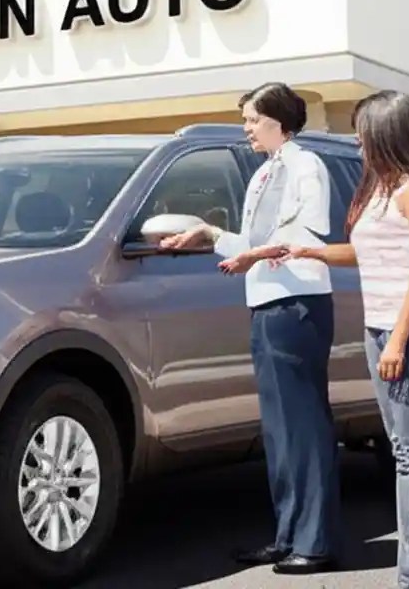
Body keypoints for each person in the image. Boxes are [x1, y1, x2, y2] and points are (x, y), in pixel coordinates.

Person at [282, 90, 409, 588]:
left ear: (389, 133)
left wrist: (397, 340)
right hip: (383, 328)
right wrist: (311, 252)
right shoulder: (382, 188)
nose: (358, 143)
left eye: (364, 134)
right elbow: (370, 252)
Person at [159, 82, 341, 574]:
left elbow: (305, 235)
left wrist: (254, 255)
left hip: (297, 303)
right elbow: (254, 241)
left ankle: (315, 541)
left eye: (253, 119)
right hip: (265, 304)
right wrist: (210, 234)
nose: (247, 129)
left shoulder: (306, 166)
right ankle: (288, 535)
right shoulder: (264, 173)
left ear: (280, 121)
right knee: (279, 430)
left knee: (303, 425)